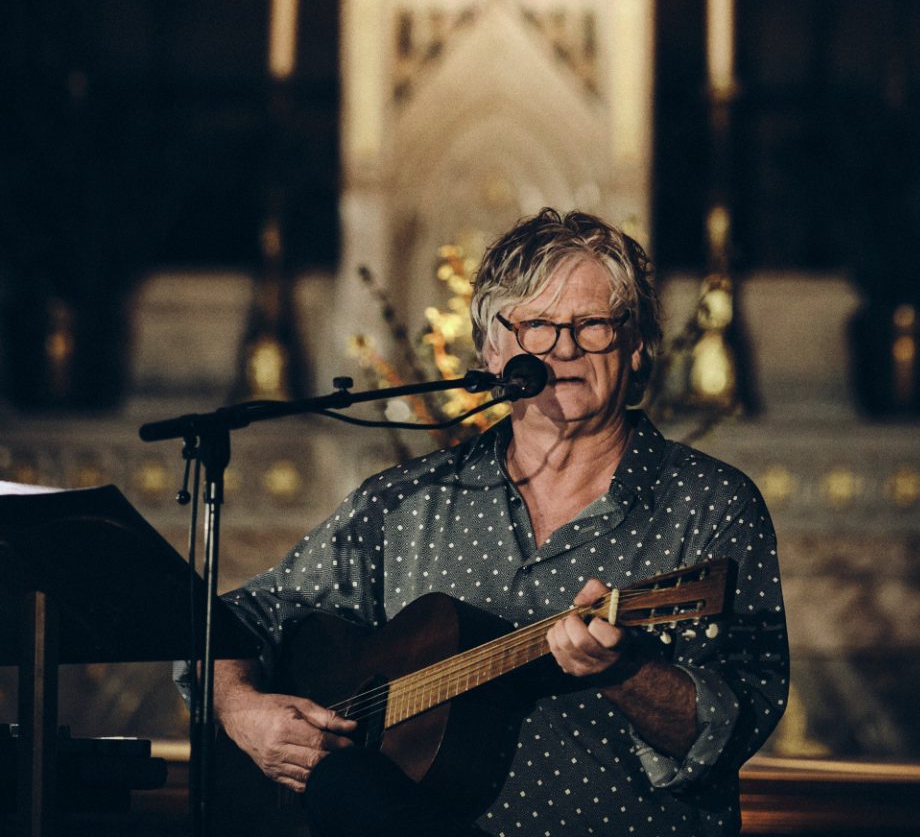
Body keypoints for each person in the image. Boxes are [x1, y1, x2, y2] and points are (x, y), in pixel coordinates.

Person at [211, 210, 788, 835]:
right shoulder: (408, 501)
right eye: (536, 325)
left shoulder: (710, 503)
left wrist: (625, 673)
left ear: (638, 343)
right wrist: (242, 709)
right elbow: (238, 619)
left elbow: (735, 727)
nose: (563, 348)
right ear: (491, 349)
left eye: (591, 325)